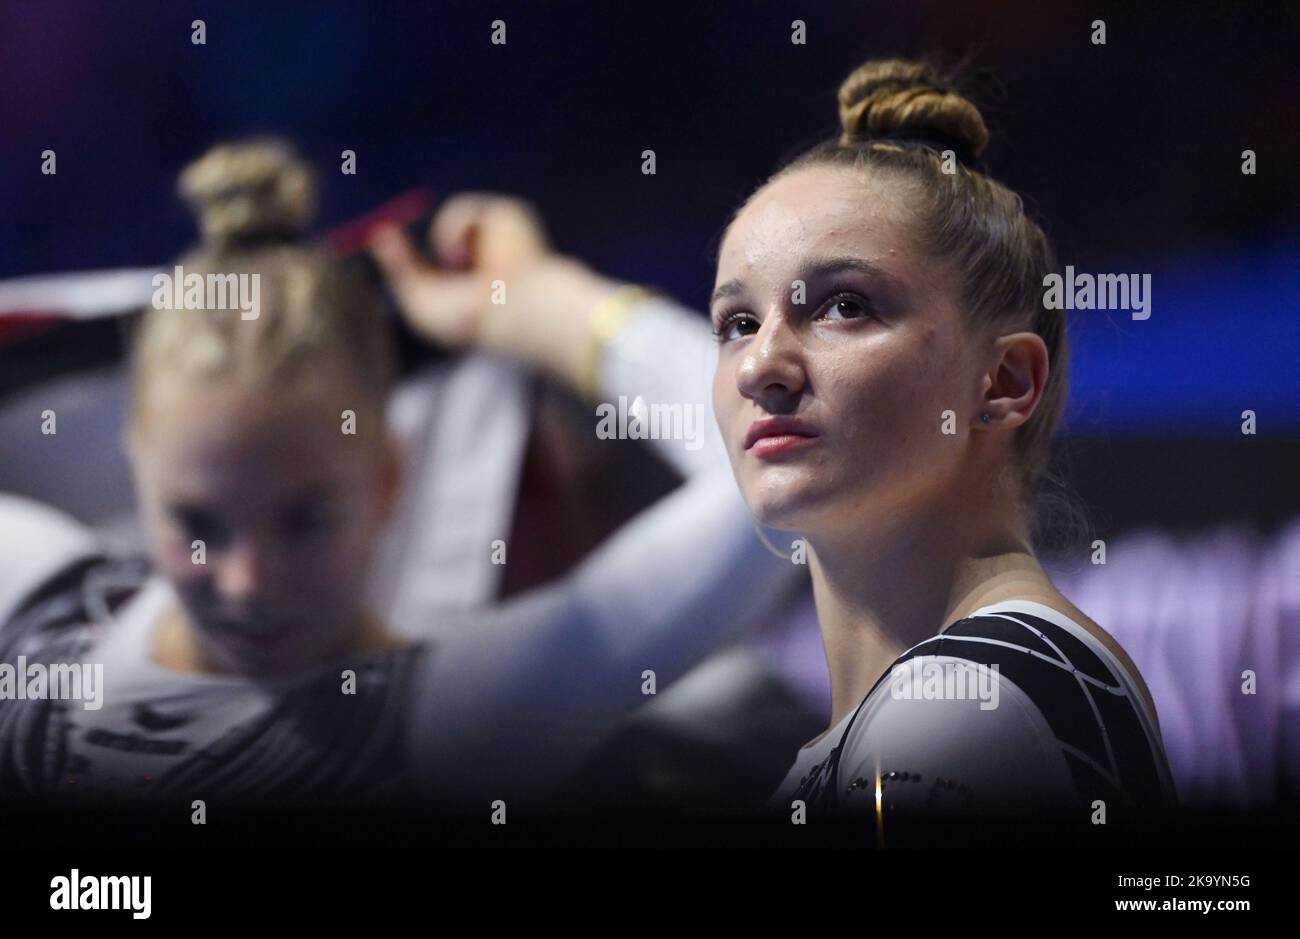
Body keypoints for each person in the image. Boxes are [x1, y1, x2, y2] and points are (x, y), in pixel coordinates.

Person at [374, 58, 1178, 840]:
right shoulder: (920, 709)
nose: (760, 364)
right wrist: (523, 297)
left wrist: (532, 297)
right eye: (737, 323)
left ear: (1001, 380)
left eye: (845, 305)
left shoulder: (965, 707)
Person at [0, 139, 797, 816]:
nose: (247, 582)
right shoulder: (41, 593)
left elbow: (778, 476)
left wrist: (538, 303)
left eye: (304, 519)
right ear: (134, 463)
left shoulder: (451, 719)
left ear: (388, 480)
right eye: (198, 523)